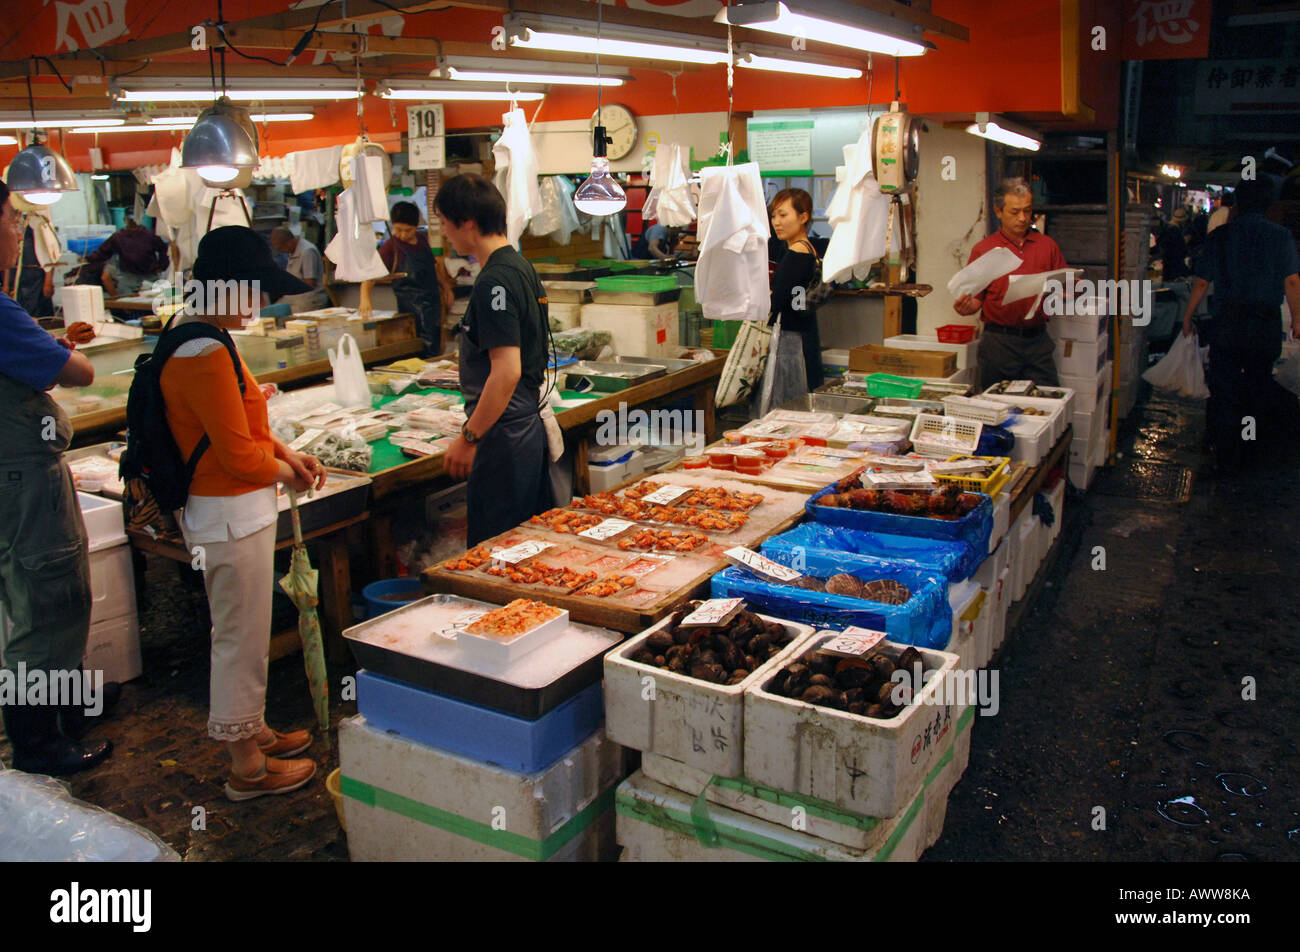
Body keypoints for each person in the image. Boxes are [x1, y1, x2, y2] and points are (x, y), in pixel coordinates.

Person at [160, 226, 328, 800]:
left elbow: (247, 428)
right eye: (255, 290)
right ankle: (246, 767)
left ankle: (253, 729)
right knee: (239, 636)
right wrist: (292, 473)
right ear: (228, 288)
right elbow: (235, 456)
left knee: (249, 631)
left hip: (238, 512)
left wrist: (287, 453)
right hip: (227, 516)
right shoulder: (201, 350)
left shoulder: (209, 336)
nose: (260, 303)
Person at [0, 179, 115, 776]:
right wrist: (64, 352)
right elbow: (78, 375)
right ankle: (40, 746)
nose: (19, 234)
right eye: (14, 221)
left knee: (23, 602)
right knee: (49, 603)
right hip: (22, 481)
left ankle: (63, 708)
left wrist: (44, 344)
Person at [433, 175, 553, 547]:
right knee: (524, 546)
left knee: (496, 553)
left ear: (467, 222)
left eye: (444, 223)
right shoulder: (520, 266)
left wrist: (469, 436)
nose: (445, 234)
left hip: (503, 438)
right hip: (523, 431)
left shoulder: (493, 281)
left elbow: (507, 371)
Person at [1181, 178, 1300, 474]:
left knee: (1225, 388)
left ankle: (1226, 452)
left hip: (1228, 324)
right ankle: (1252, 449)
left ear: (1237, 204)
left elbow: (1201, 281)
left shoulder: (1221, 236)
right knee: (1258, 384)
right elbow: (1292, 280)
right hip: (1264, 325)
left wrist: (1187, 316)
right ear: (1269, 204)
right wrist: (1298, 318)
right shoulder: (1281, 236)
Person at [953, 178, 1071, 389]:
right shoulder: (985, 250)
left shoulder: (1047, 246)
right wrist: (966, 307)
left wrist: (1068, 291)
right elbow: (975, 300)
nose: (1023, 218)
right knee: (995, 403)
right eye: (1015, 212)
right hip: (999, 343)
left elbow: (1063, 286)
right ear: (999, 212)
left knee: (1047, 399)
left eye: (1027, 211)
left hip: (1037, 341)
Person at [757, 188, 824, 414]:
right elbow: (794, 297)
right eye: (774, 216)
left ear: (803, 217)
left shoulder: (797, 255)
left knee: (785, 408)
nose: (777, 222)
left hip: (790, 341)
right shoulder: (808, 250)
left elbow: (777, 301)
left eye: (783, 215)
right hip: (804, 334)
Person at [360, 200, 444, 355]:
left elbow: (434, 267)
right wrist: (365, 298)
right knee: (418, 351)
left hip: (433, 306)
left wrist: (446, 288)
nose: (403, 235)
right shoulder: (390, 247)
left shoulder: (422, 239)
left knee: (435, 348)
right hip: (411, 313)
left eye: (409, 230)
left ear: (416, 226)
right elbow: (369, 275)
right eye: (398, 229)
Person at [78, 217, 169, 297]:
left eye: (135, 219)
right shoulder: (118, 236)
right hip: (128, 278)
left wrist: (162, 266)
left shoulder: (150, 234)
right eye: (130, 220)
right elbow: (103, 252)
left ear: (140, 219)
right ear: (125, 220)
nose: (133, 222)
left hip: (150, 277)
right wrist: (87, 259)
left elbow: (164, 249)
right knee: (127, 302)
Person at [268, 226, 330, 312]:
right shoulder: (292, 251)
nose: (281, 251)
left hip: (309, 298)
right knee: (268, 313)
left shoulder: (307, 251)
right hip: (294, 297)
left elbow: (310, 283)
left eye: (280, 248)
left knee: (284, 318)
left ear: (288, 243)